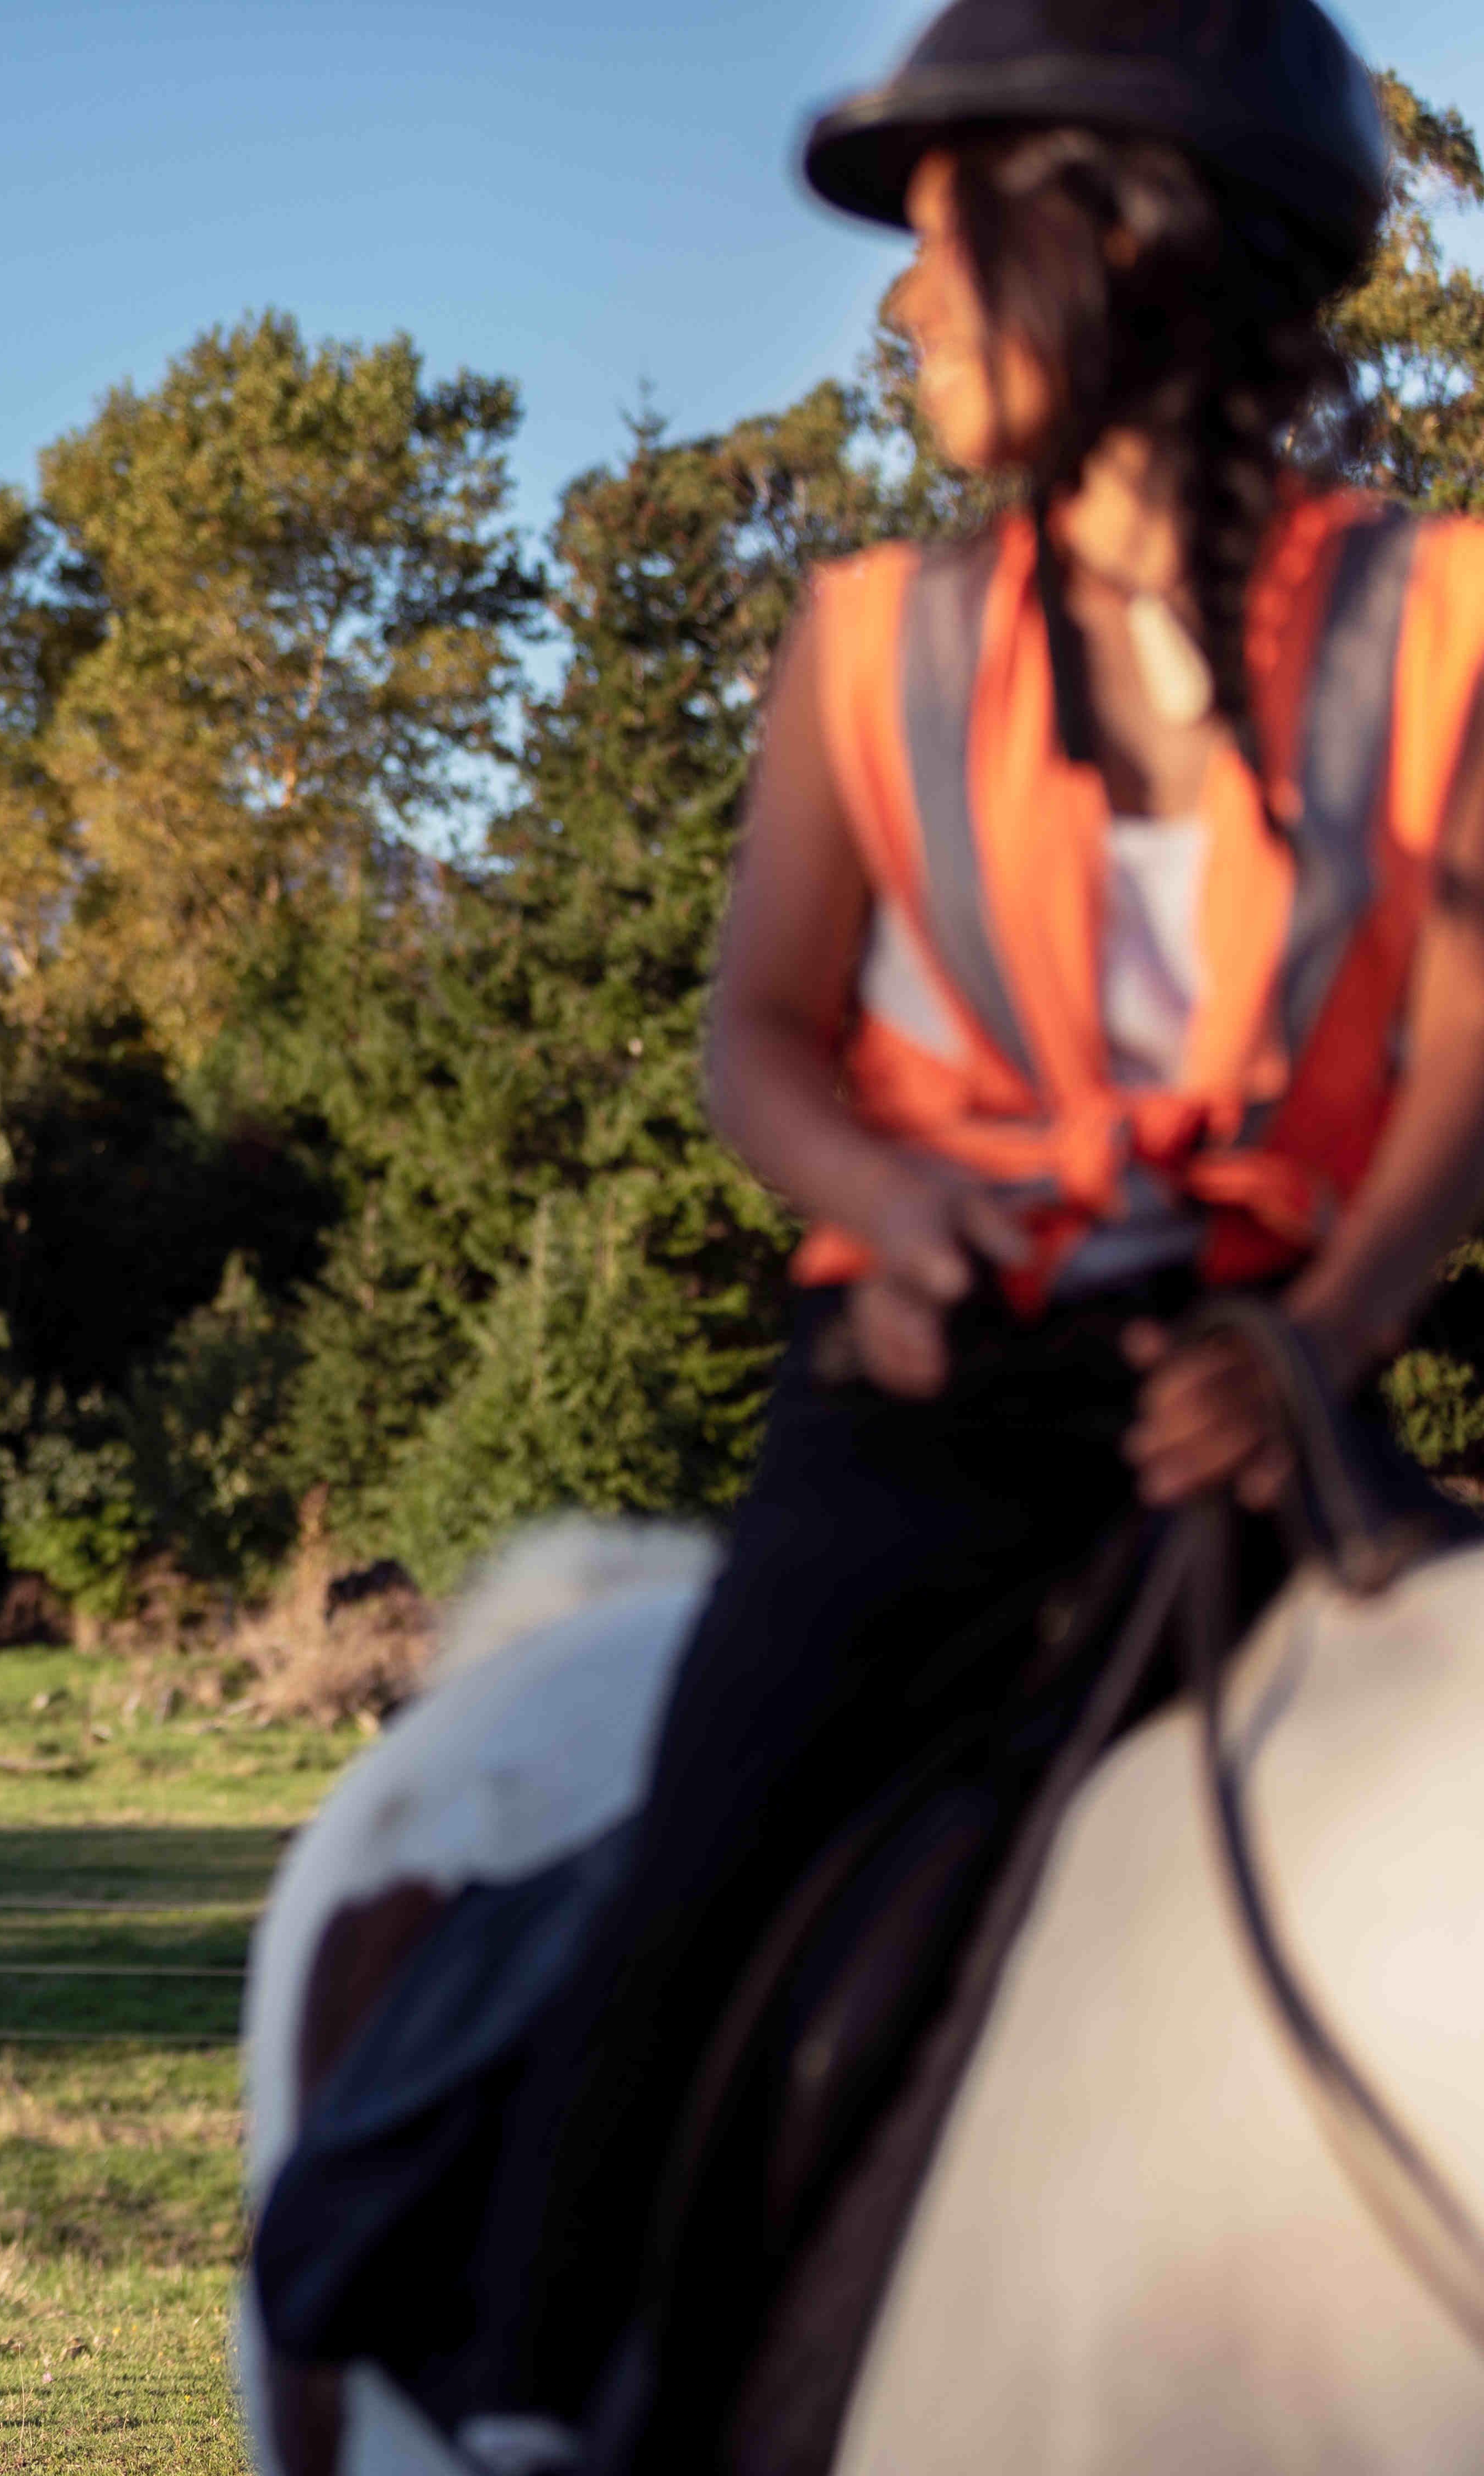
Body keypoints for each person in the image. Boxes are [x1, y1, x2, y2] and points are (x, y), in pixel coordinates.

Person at [451, 0, 1484, 2458]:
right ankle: (531, 2385)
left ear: (1114, 242)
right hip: (922, 1402)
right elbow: (759, 1045)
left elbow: (1463, 1045)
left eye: (938, 239)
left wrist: (1321, 1329)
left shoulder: (1438, 619)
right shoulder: (865, 646)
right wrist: (893, 1211)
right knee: (695, 1875)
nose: (902, 303)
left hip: (1262, 1389)